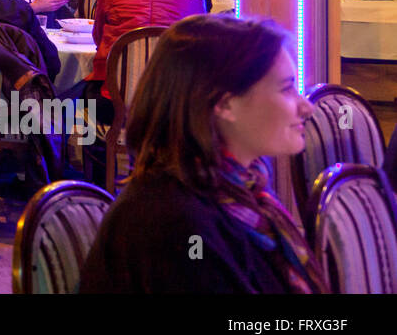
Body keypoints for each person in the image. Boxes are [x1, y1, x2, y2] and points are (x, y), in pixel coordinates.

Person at [79, 15, 325, 293]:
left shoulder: (237, 190)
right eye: (286, 88)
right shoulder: (175, 224)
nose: (307, 107)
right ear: (225, 104)